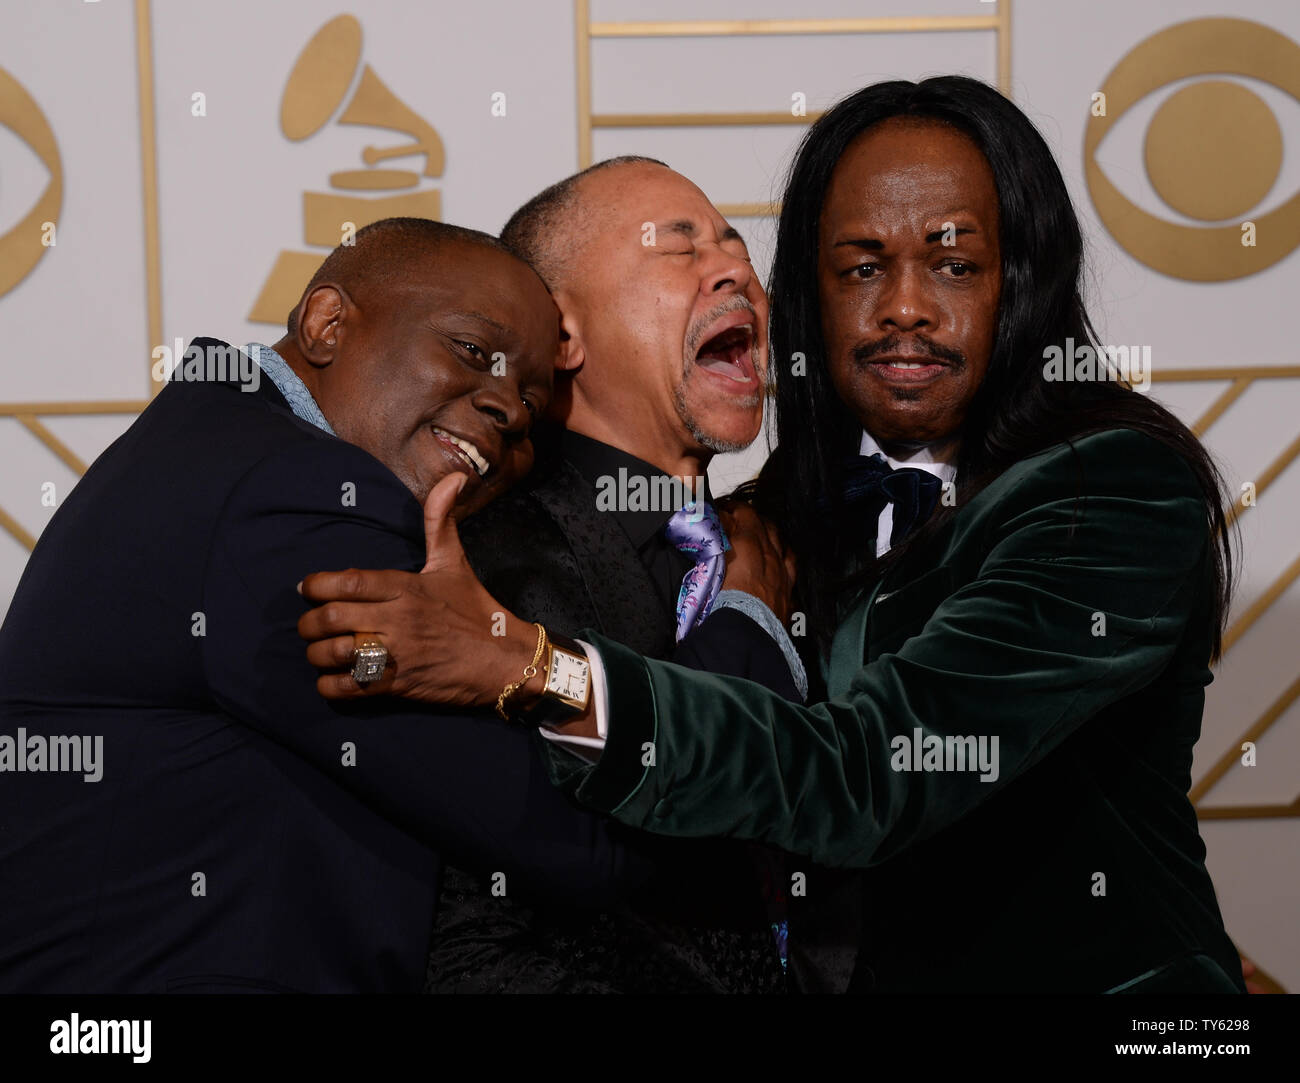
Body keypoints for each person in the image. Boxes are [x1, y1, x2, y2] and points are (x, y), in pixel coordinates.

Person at [298, 79, 1246, 993]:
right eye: (861, 267)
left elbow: (871, 771)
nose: (905, 305)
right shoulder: (765, 519)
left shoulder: (1112, 492)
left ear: (1023, 281)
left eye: (953, 263)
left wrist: (536, 668)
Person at [0, 218, 637, 992]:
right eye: (474, 351)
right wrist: (744, 643)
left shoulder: (215, 448)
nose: (507, 408)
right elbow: (565, 835)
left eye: (532, 407)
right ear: (327, 322)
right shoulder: (294, 495)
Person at [426, 157, 816, 993]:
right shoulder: (485, 570)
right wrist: (744, 617)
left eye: (737, 246)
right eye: (680, 250)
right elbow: (476, 946)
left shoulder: (786, 545)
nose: (737, 270)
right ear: (561, 333)